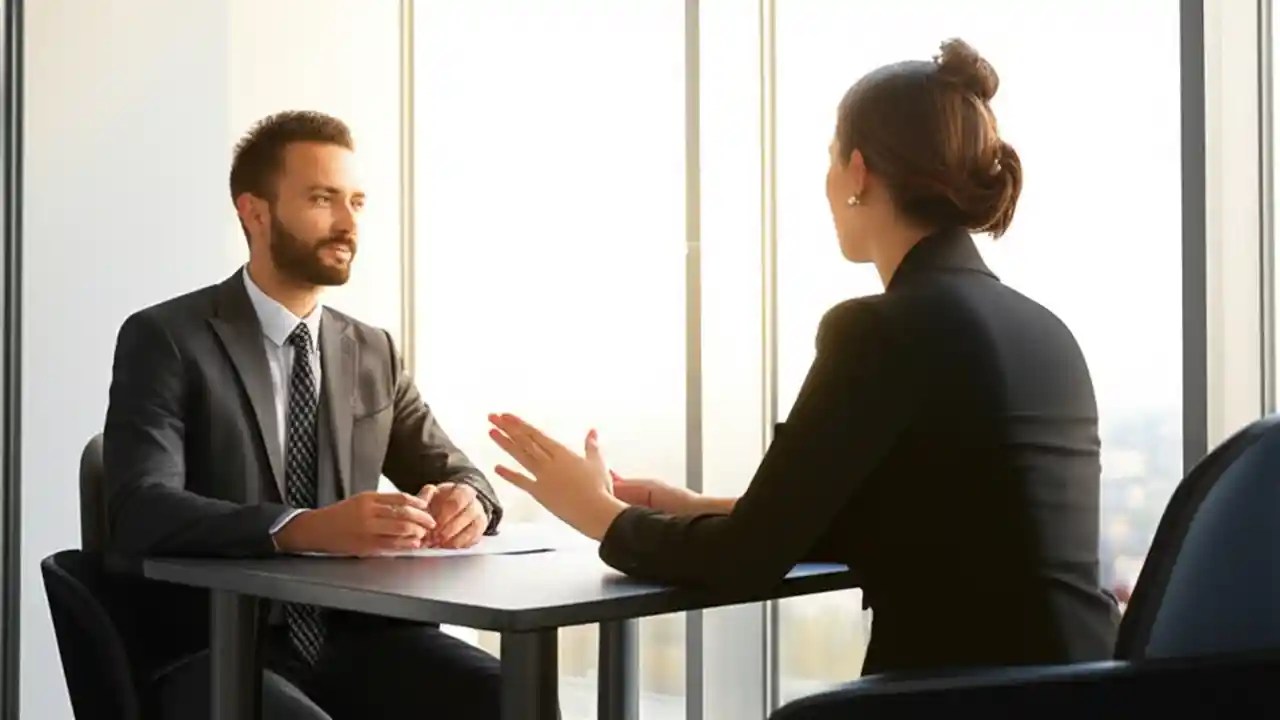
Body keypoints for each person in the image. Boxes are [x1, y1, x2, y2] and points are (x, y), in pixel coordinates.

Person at [485, 39, 1122, 678]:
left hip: (958, 698)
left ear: (858, 172)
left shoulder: (881, 331)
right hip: (1087, 690)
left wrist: (597, 513)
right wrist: (688, 505)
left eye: (829, 158)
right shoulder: (1045, 331)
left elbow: (745, 559)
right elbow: (909, 523)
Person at [104, 111, 506, 719]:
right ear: (255, 212)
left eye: (357, 202)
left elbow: (457, 471)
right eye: (323, 199)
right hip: (218, 645)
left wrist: (469, 500)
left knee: (511, 694)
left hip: (359, 634)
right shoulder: (166, 338)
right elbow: (140, 508)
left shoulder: (372, 351)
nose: (348, 224)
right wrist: (305, 528)